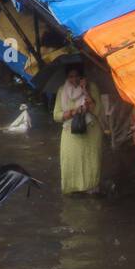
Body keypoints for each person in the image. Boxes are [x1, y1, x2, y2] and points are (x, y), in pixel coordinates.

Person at [53, 63, 104, 195]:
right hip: (70, 132)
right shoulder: (61, 91)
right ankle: (73, 191)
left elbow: (98, 111)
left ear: (82, 76)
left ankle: (92, 189)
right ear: (67, 77)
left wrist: (85, 90)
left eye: (77, 76)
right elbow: (56, 115)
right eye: (71, 77)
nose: (74, 79)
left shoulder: (92, 87)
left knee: (91, 164)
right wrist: (72, 112)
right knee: (70, 164)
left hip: (91, 131)